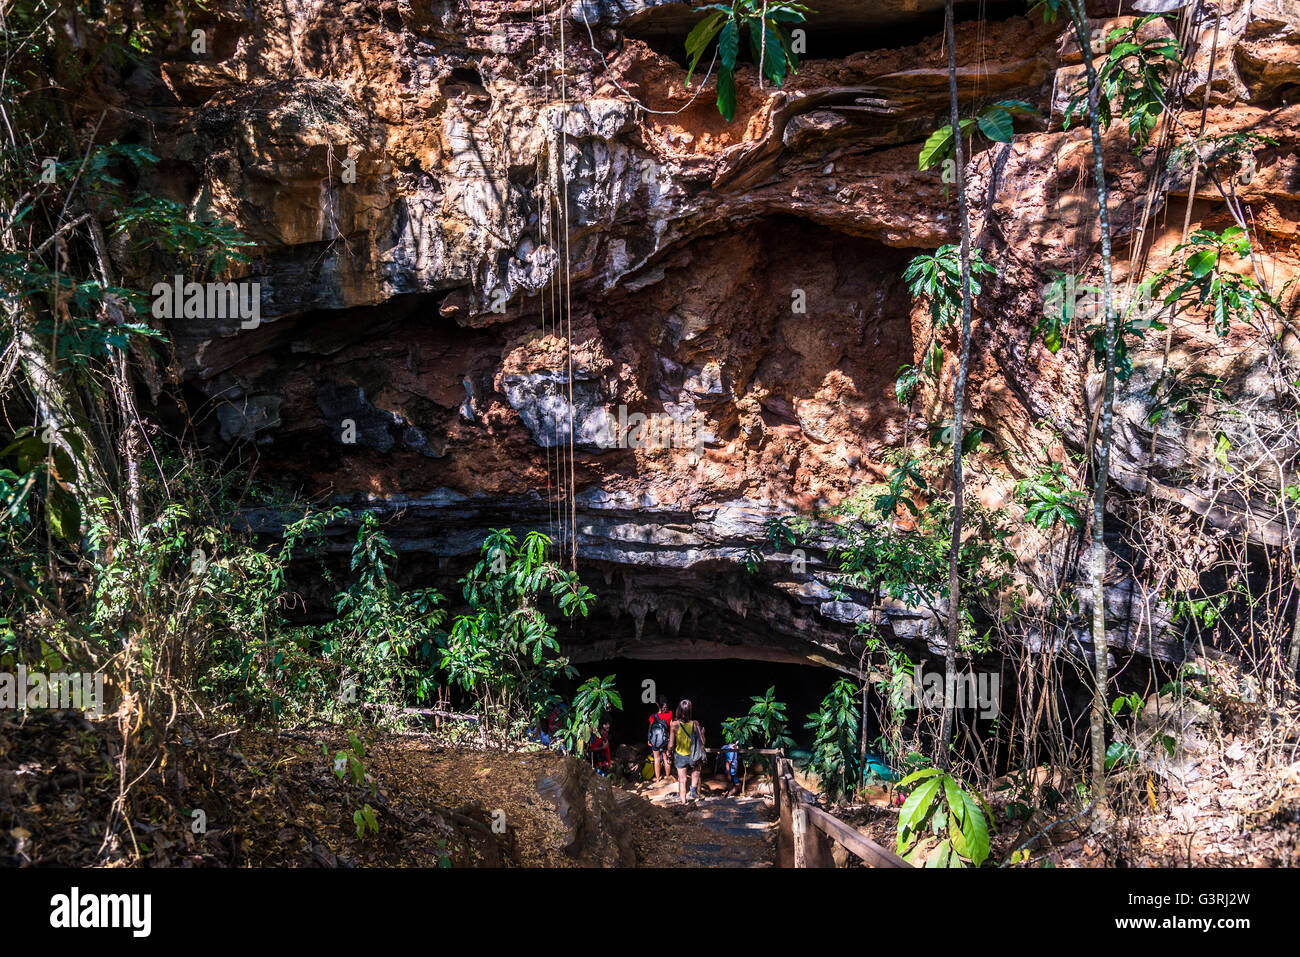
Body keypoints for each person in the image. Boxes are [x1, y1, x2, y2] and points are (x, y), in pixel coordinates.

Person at [670, 699, 705, 803]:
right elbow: (702, 741)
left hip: (680, 755)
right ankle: (693, 789)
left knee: (682, 780)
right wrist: (702, 733)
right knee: (697, 768)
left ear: (678, 710)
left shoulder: (674, 724)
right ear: (690, 711)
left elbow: (671, 744)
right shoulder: (695, 724)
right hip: (693, 755)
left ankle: (684, 802)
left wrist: (668, 752)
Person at [647, 696, 673, 783]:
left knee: (657, 759)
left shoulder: (653, 716)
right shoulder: (670, 714)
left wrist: (649, 739)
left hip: (655, 740)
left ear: (658, 705)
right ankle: (668, 777)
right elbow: (671, 727)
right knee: (666, 759)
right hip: (666, 740)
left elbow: (650, 728)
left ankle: (658, 779)